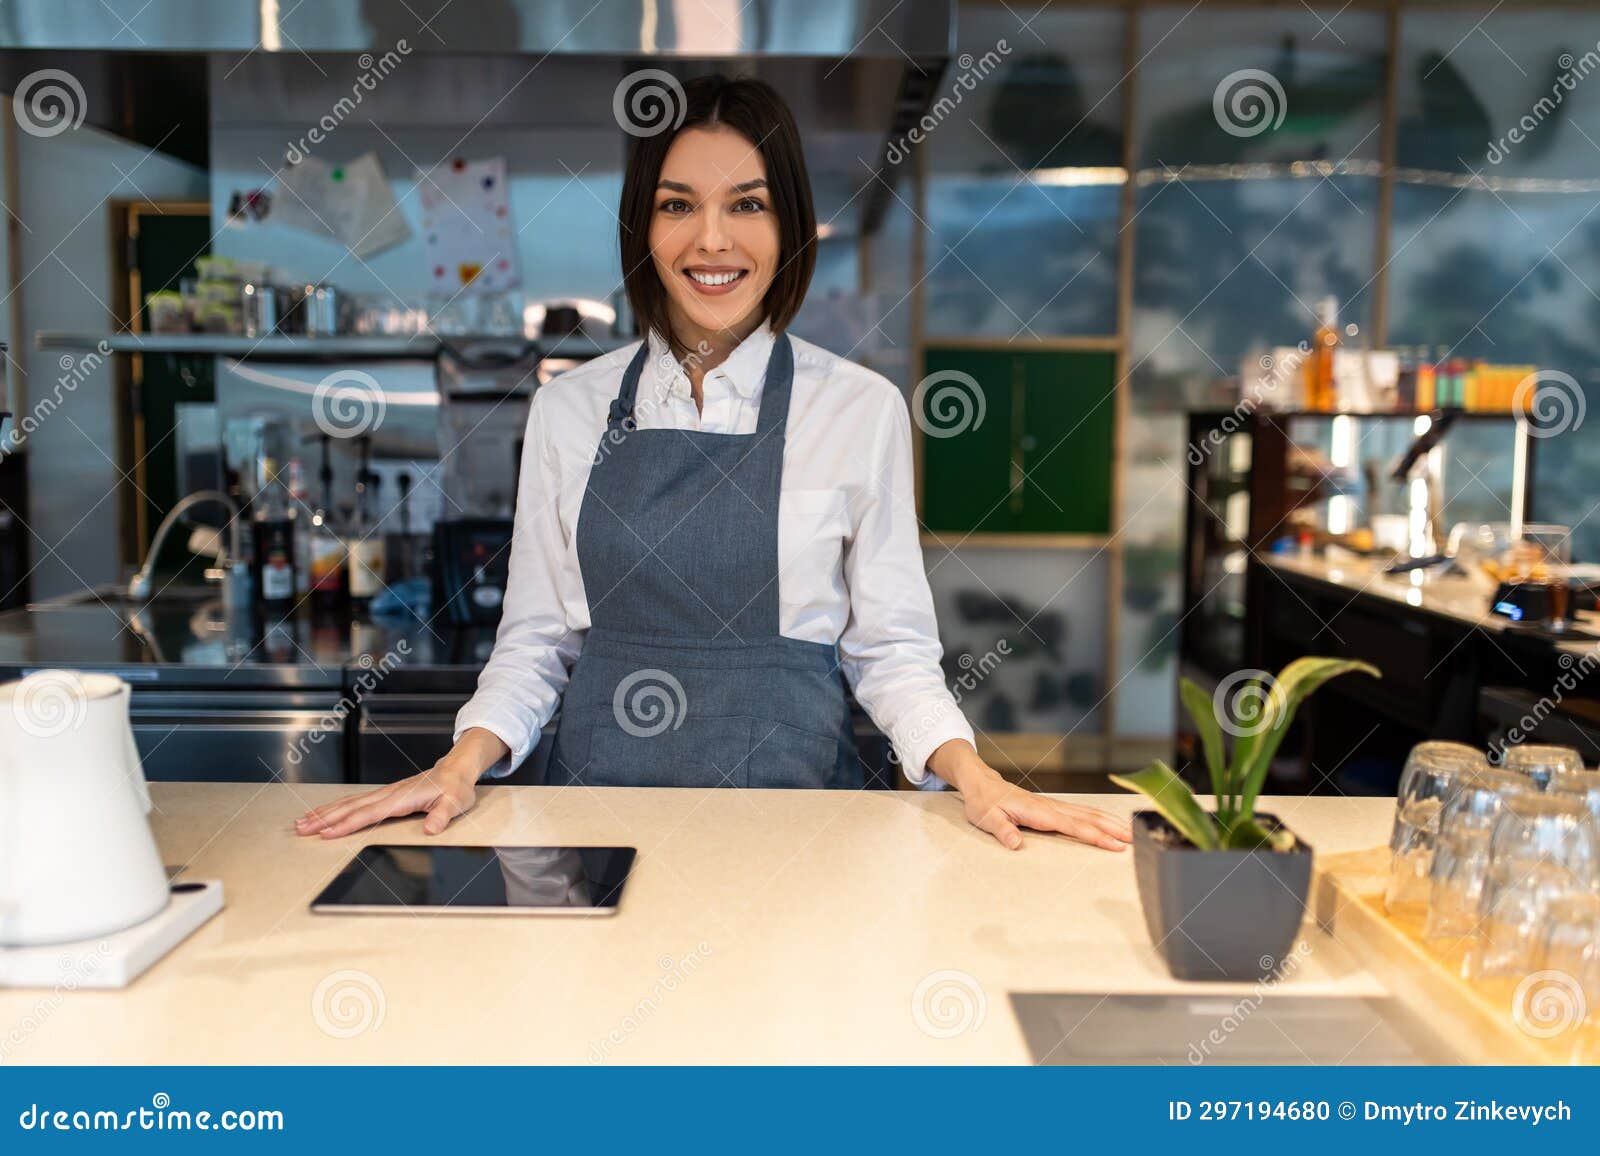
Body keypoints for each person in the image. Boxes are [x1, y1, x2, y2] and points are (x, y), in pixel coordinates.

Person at [297, 75, 1131, 854]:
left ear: (789, 223)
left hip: (799, 839)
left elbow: (889, 652)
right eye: (678, 205)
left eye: (748, 204)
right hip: (597, 835)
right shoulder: (568, 411)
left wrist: (976, 777)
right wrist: (459, 765)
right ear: (643, 227)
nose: (712, 239)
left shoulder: (859, 409)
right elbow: (537, 644)